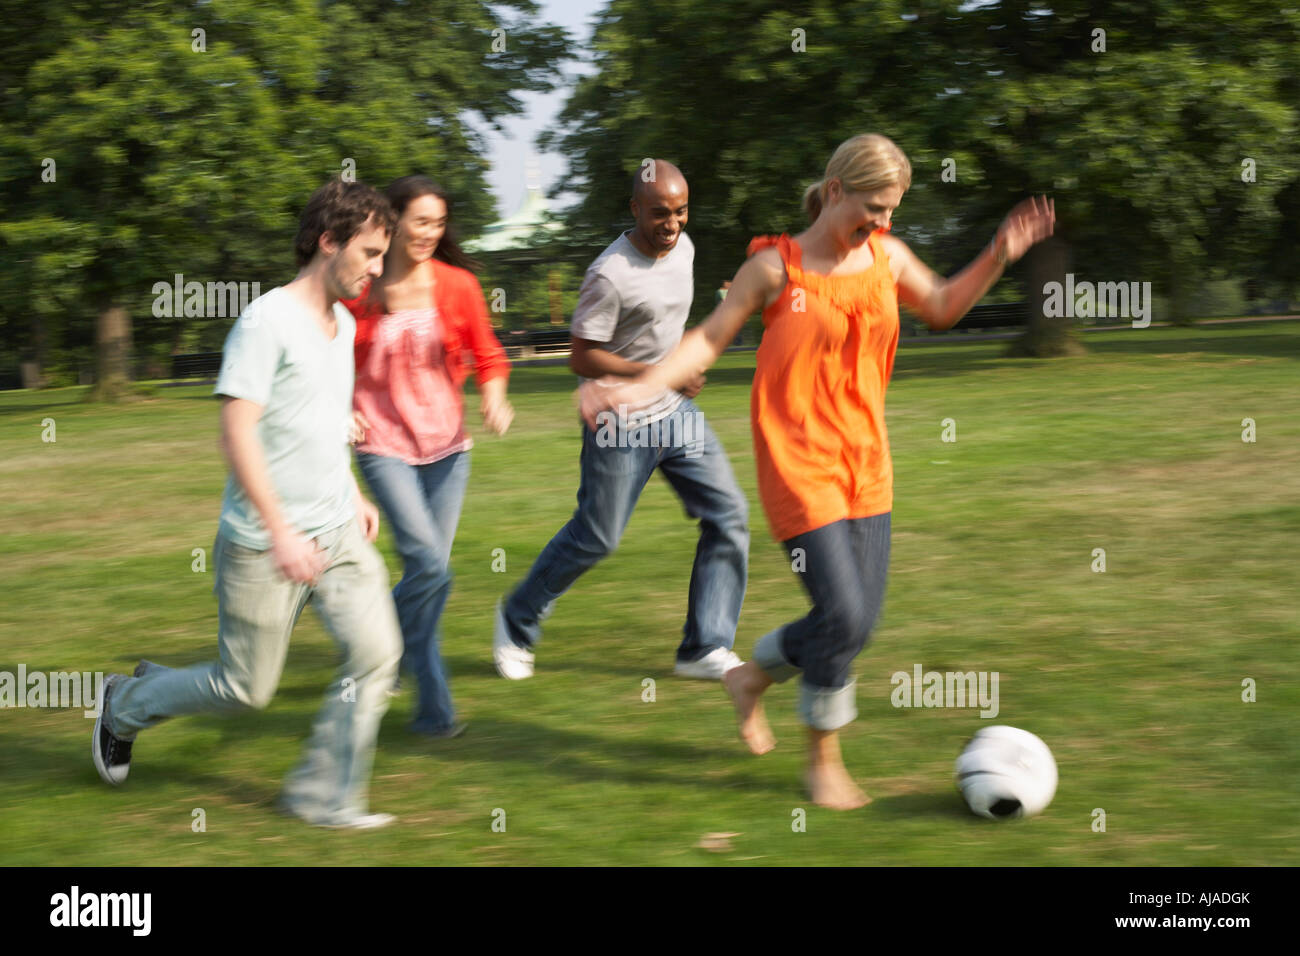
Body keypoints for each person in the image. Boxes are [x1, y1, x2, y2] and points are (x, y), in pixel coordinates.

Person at [582, 134, 1055, 809]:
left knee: (856, 625)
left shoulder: (887, 259)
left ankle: (751, 678)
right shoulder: (776, 268)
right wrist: (637, 388)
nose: (885, 222)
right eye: (874, 205)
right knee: (841, 611)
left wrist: (1000, 253)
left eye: (893, 209)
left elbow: (945, 306)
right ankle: (822, 761)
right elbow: (708, 338)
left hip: (866, 460)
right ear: (835, 191)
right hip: (798, 463)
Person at [92, 179, 406, 829]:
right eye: (371, 253)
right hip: (265, 545)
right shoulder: (267, 321)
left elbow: (324, 419)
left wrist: (352, 490)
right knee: (245, 689)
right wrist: (281, 532)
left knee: (378, 653)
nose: (379, 269)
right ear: (328, 241)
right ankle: (125, 703)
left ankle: (323, 795)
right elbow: (237, 432)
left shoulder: (343, 324)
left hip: (338, 532)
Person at [494, 160, 750, 681]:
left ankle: (703, 647)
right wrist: (658, 372)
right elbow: (581, 356)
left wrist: (679, 365)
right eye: (660, 213)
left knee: (728, 515)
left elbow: (667, 326)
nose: (672, 223)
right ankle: (517, 619)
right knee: (596, 536)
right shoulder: (609, 274)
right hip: (618, 420)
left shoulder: (688, 249)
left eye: (681, 212)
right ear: (635, 208)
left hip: (675, 414)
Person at [344, 175, 513, 737]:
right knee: (431, 567)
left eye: (438, 223)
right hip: (382, 443)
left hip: (447, 448)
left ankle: (379, 649)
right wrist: (339, 410)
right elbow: (330, 360)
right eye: (421, 221)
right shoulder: (360, 289)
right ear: (391, 221)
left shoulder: (458, 284)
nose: (430, 233)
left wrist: (494, 396)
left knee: (430, 579)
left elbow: (489, 354)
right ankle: (435, 711)